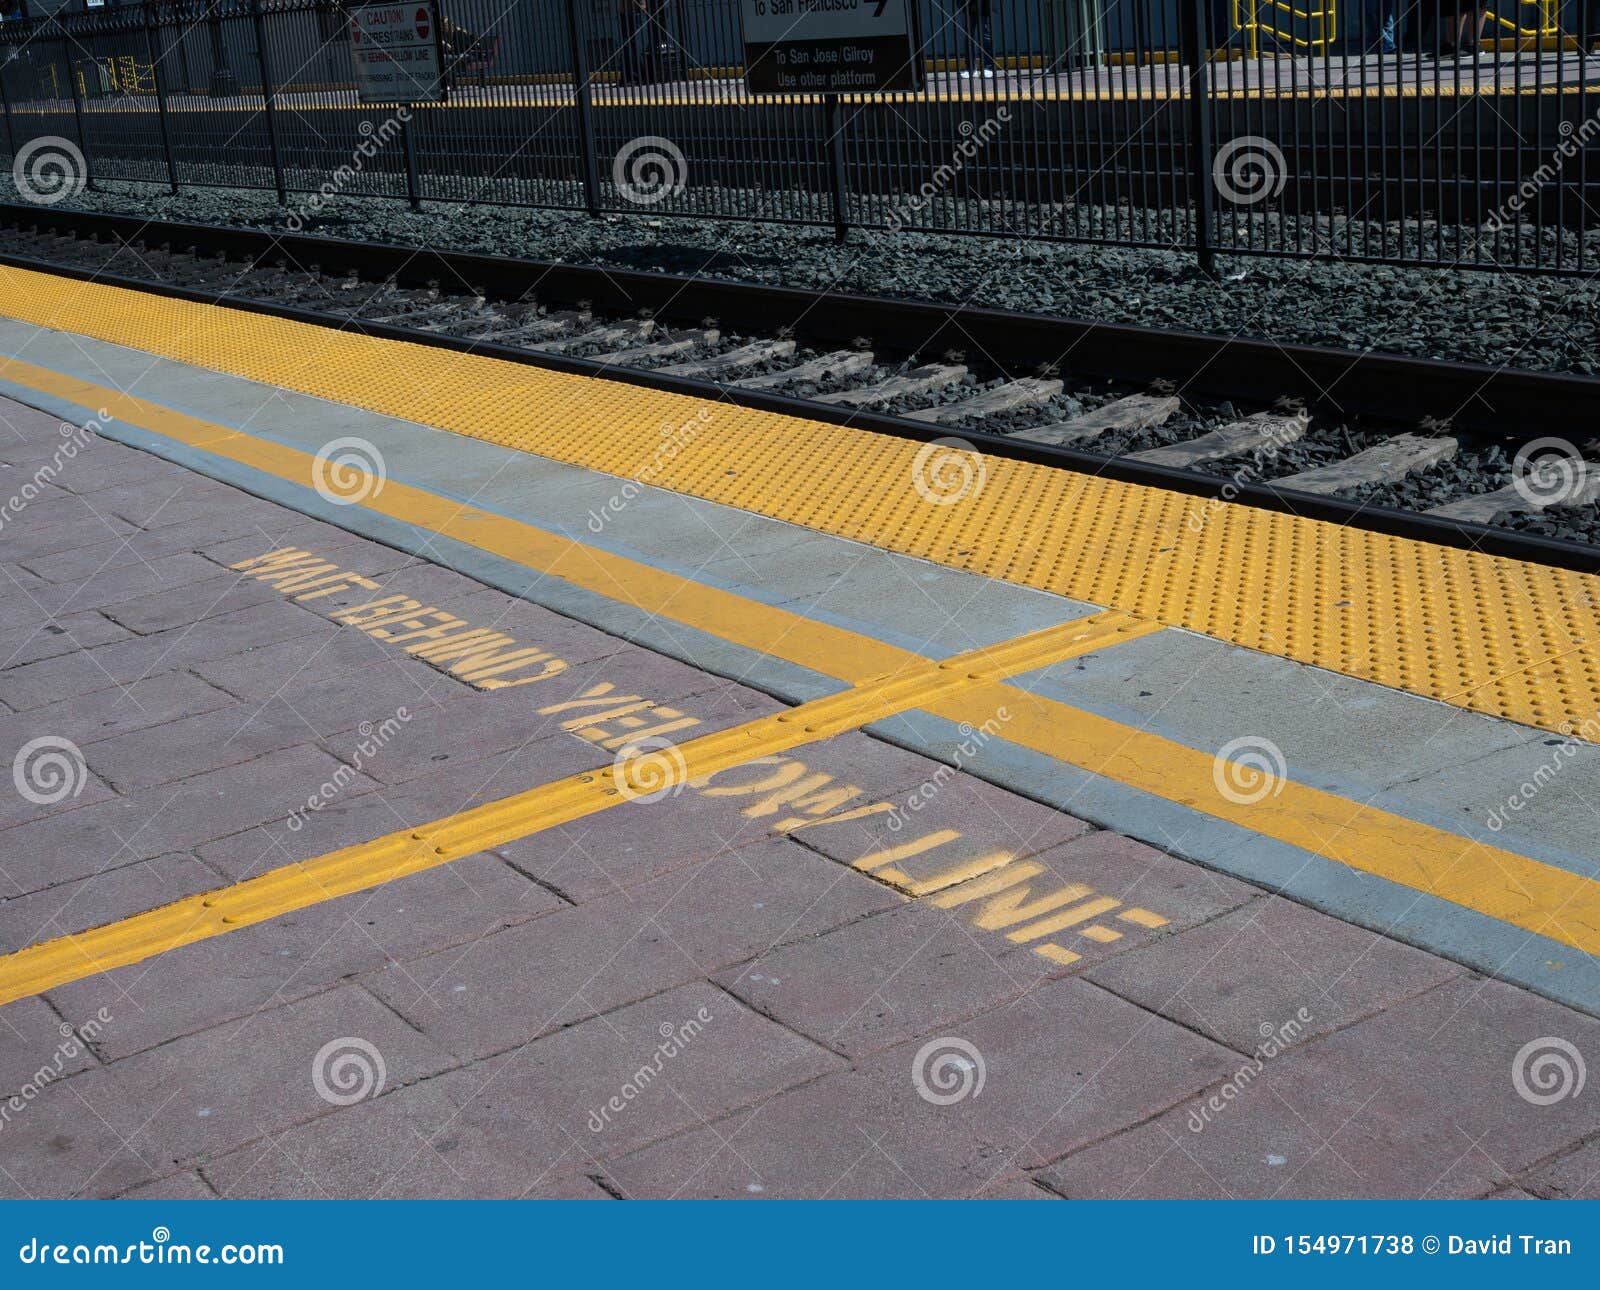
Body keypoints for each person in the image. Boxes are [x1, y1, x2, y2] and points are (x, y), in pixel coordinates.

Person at [961, 0, 996, 79]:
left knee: (985, 36)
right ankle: (971, 68)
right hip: (969, 5)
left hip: (983, 5)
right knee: (969, 36)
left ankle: (988, 67)